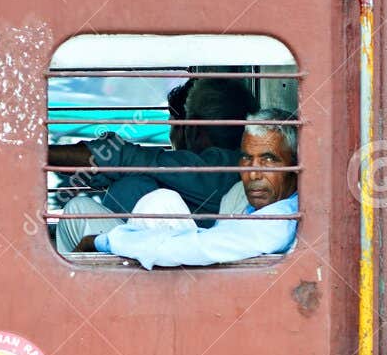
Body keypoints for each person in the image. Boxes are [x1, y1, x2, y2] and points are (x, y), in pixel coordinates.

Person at [50, 77, 256, 253]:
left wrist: (37, 154)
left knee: (82, 209)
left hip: (173, 274)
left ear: (192, 129)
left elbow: (122, 158)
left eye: (173, 125)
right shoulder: (232, 170)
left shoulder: (214, 169)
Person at [93, 108, 300, 269]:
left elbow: (201, 247)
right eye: (246, 158)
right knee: (79, 206)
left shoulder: (283, 218)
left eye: (269, 160)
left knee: (160, 203)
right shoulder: (237, 194)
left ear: (294, 165)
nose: (254, 173)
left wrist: (103, 242)